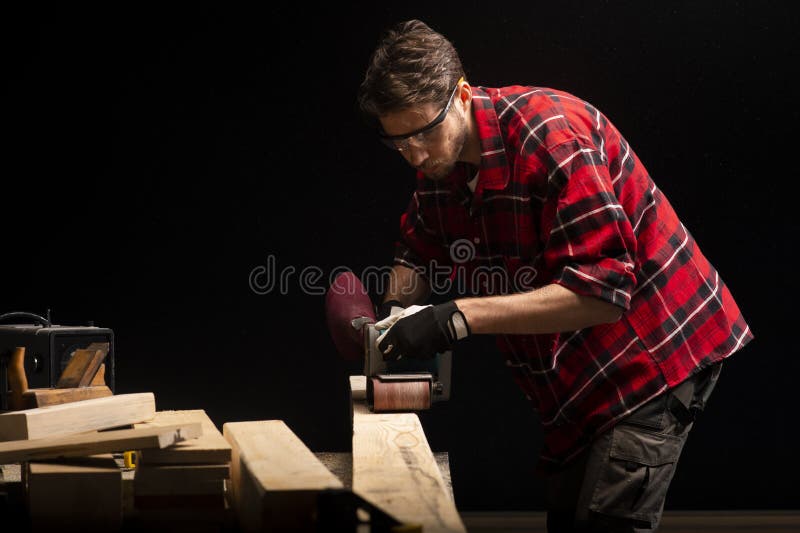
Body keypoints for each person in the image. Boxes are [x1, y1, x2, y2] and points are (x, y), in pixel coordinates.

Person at [356, 19, 753, 533]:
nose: (416, 154)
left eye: (425, 133)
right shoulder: (441, 166)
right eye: (399, 142)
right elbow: (417, 249)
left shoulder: (550, 135)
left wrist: (457, 317)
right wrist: (393, 318)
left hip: (652, 352)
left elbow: (603, 294)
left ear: (462, 93)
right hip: (577, 382)